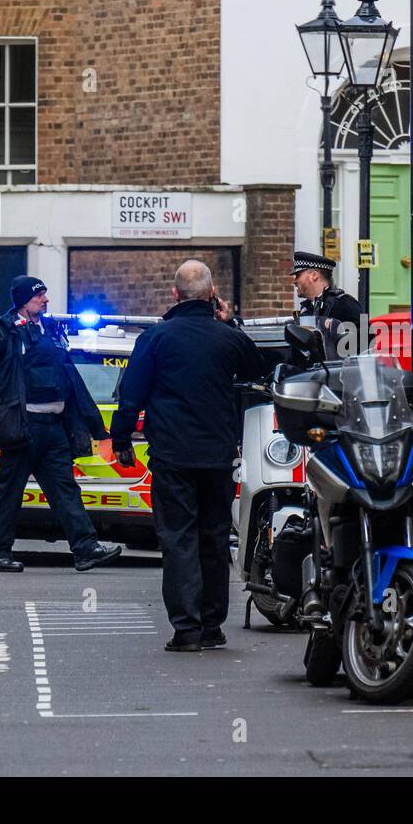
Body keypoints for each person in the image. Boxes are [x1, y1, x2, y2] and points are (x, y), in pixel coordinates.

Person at [111, 260, 269, 652]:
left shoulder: (156, 339)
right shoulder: (225, 337)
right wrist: (228, 323)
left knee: (178, 539)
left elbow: (131, 394)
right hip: (217, 457)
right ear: (212, 294)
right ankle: (213, 626)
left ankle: (187, 629)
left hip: (172, 455)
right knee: (214, 538)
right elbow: (258, 368)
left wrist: (121, 439)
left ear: (174, 294)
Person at [0, 275, 120, 574]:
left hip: (53, 428)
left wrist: (97, 429)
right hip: (23, 428)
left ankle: (86, 549)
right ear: (23, 300)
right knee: (9, 492)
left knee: (65, 490)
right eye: (39, 296)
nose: (45, 300)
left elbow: (72, 381)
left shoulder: (50, 330)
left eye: (45, 295)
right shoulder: (6, 330)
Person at [292, 251, 362, 360]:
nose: (294, 281)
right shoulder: (307, 309)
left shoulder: (344, 304)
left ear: (314, 275)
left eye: (298, 275)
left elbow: (363, 345)